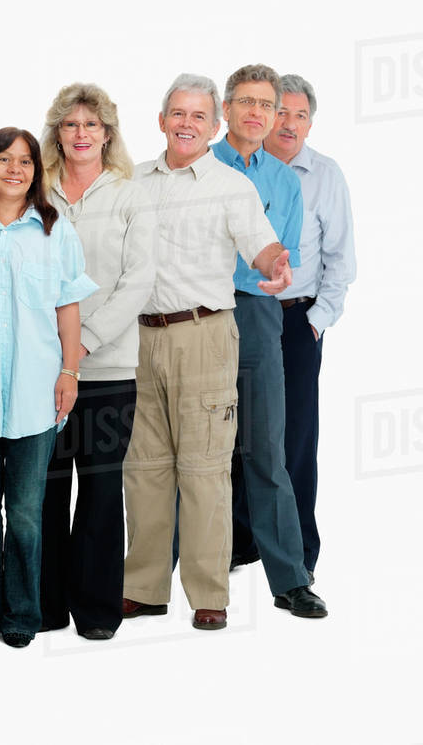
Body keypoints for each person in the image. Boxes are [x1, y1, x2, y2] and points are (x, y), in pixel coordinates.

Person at [122, 73, 291, 631]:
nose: (187, 124)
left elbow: (260, 243)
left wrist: (275, 265)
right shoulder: (133, 182)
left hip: (204, 335)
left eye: (198, 116)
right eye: (178, 113)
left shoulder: (230, 185)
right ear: (162, 119)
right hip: (138, 338)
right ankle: (144, 588)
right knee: (143, 467)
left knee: (205, 467)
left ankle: (208, 594)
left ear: (214, 125)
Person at [0, 127, 97, 649]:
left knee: (28, 516)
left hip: (36, 396)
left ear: (36, 172)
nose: (15, 169)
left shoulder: (56, 232)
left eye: (26, 162)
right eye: (4, 159)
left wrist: (69, 373)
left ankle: (23, 615)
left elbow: (67, 307)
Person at [38, 84, 155, 640]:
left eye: (91, 124)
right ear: (56, 133)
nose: (81, 134)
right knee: (47, 488)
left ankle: (98, 612)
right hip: (42, 370)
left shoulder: (130, 195)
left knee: (103, 491)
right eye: (70, 124)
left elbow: (140, 280)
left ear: (108, 133)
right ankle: (46, 608)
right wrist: (57, 350)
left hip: (107, 369)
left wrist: (82, 341)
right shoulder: (35, 191)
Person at [211, 64, 326, 619]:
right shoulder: (199, 165)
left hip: (259, 313)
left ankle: (290, 579)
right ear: (226, 109)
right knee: (194, 451)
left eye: (268, 104)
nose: (258, 113)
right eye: (246, 102)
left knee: (267, 448)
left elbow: (283, 259)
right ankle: (179, 568)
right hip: (199, 312)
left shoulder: (285, 182)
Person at [262, 74, 356, 578]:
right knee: (240, 434)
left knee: (295, 437)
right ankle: (242, 542)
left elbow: (342, 259)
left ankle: (298, 552)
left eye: (301, 115)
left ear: (310, 123)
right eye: (282, 112)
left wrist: (316, 322)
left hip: (298, 320)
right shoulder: (240, 170)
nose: (290, 123)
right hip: (241, 317)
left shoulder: (324, 174)